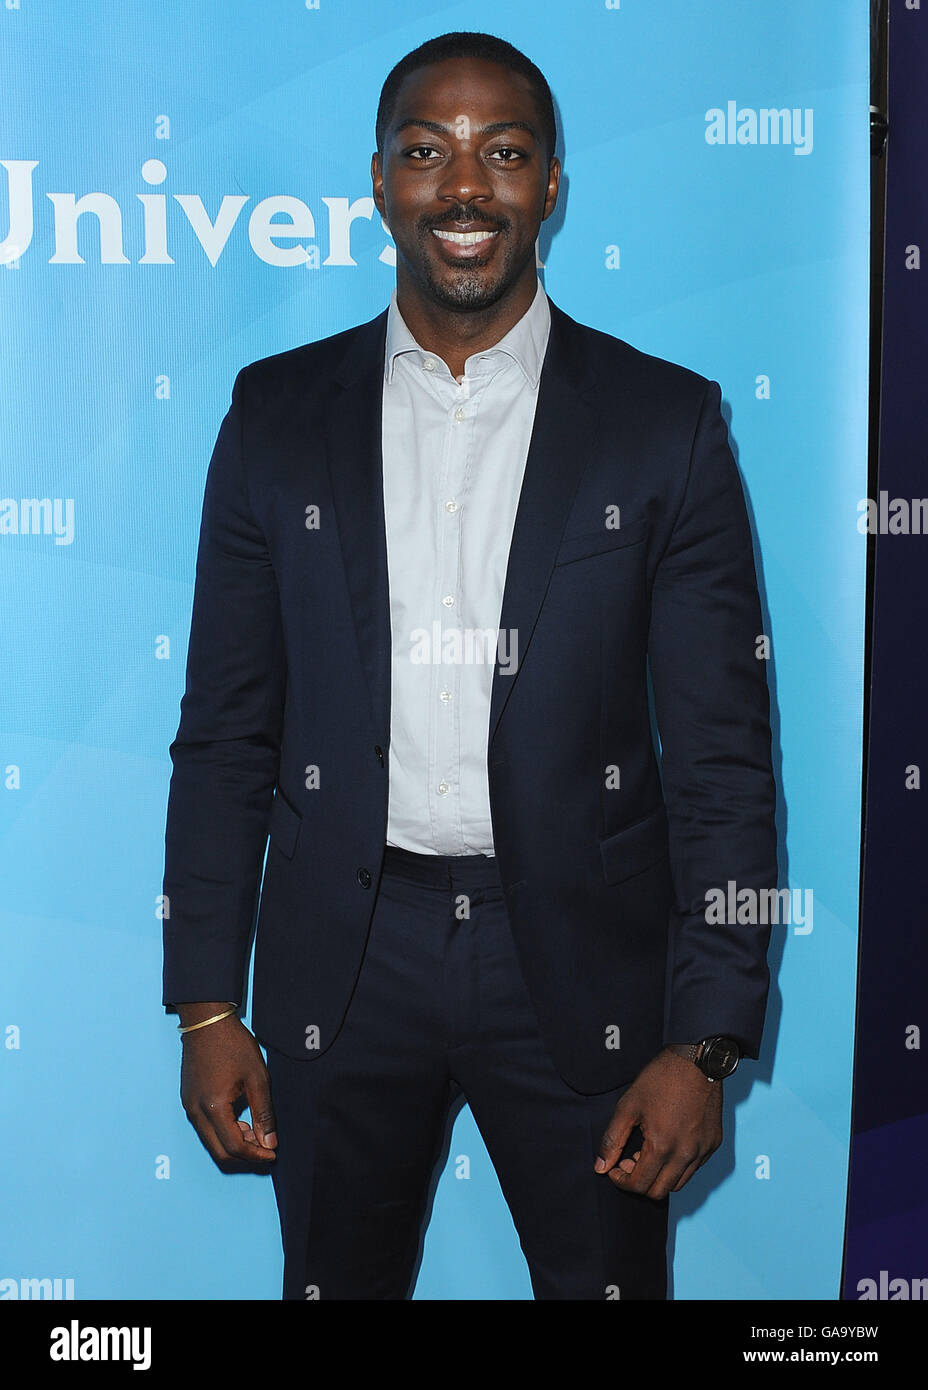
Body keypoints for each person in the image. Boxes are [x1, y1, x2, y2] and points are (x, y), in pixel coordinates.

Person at [162, 30, 778, 1300]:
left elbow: (722, 759)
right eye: (425, 151)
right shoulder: (275, 415)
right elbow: (225, 733)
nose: (462, 187)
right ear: (378, 181)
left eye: (501, 153)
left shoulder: (663, 424)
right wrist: (208, 1005)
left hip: (584, 962)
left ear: (550, 184)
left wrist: (705, 1041)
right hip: (347, 952)